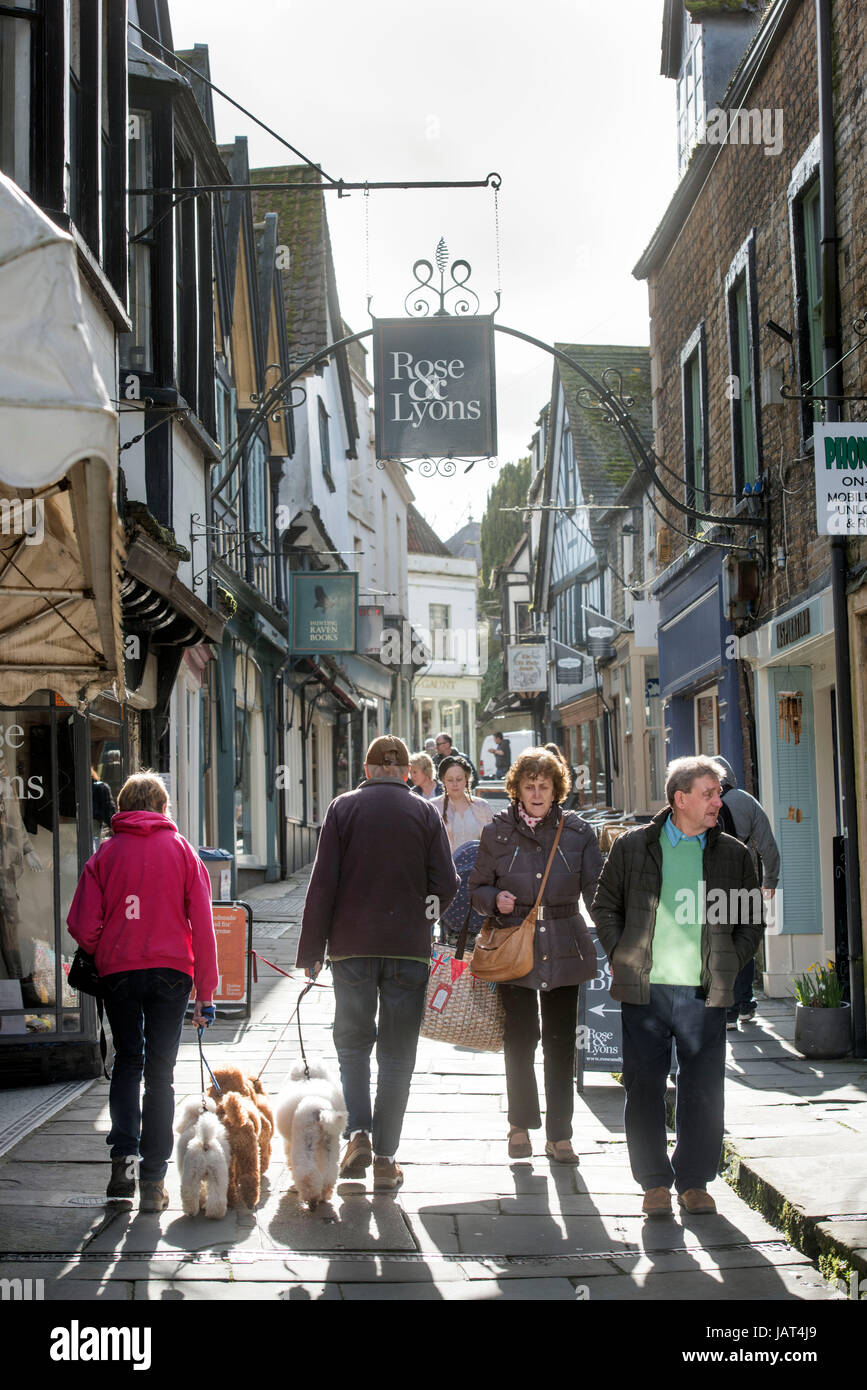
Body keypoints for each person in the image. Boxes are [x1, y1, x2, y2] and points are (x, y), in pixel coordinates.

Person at [590, 756, 764, 1217]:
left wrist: (729, 963)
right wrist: (621, 954)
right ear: (680, 798)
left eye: (719, 792)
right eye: (709, 793)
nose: (717, 802)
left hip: (704, 993)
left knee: (703, 1089)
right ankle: (653, 1183)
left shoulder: (734, 853)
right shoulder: (632, 847)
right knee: (643, 1088)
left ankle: (694, 1181)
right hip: (645, 990)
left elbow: (750, 920)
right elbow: (604, 904)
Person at [296, 735, 459, 1192]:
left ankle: (359, 1135)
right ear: (407, 773)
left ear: (367, 769)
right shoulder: (425, 812)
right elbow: (446, 884)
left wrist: (311, 952)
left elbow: (322, 885)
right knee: (397, 1053)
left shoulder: (343, 809)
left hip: (351, 949)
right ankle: (387, 1157)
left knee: (351, 1045)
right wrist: (422, 917)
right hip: (408, 949)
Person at [67, 771, 218, 1211]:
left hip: (120, 973)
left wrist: (109, 945)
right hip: (173, 973)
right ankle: (153, 1182)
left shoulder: (106, 854)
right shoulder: (183, 852)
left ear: (123, 807)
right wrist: (205, 992)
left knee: (127, 1062)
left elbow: (80, 923)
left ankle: (123, 1166)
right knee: (161, 1074)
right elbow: (204, 926)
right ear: (163, 808)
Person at [469, 747, 603, 1164]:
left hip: (565, 943)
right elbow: (475, 890)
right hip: (514, 945)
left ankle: (560, 1135)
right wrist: (496, 900)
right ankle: (520, 1126)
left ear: (556, 788)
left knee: (562, 1044)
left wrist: (619, 940)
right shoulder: (497, 832)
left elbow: (596, 892)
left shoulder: (579, 833)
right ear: (518, 789)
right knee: (521, 1039)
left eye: (544, 785)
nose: (537, 792)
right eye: (529, 786)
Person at [714, 756, 780, 1030]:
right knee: (745, 941)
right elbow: (768, 845)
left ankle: (726, 1009)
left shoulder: (699, 802)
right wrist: (770, 880)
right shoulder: (746, 801)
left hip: (711, 885)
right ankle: (744, 1003)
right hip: (745, 881)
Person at [437, 754, 493, 852]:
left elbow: (493, 842)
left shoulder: (482, 806)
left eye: (459, 779)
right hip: (446, 866)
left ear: (466, 779)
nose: (455, 784)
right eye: (450, 780)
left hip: (478, 865)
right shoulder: (433, 807)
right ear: (443, 781)